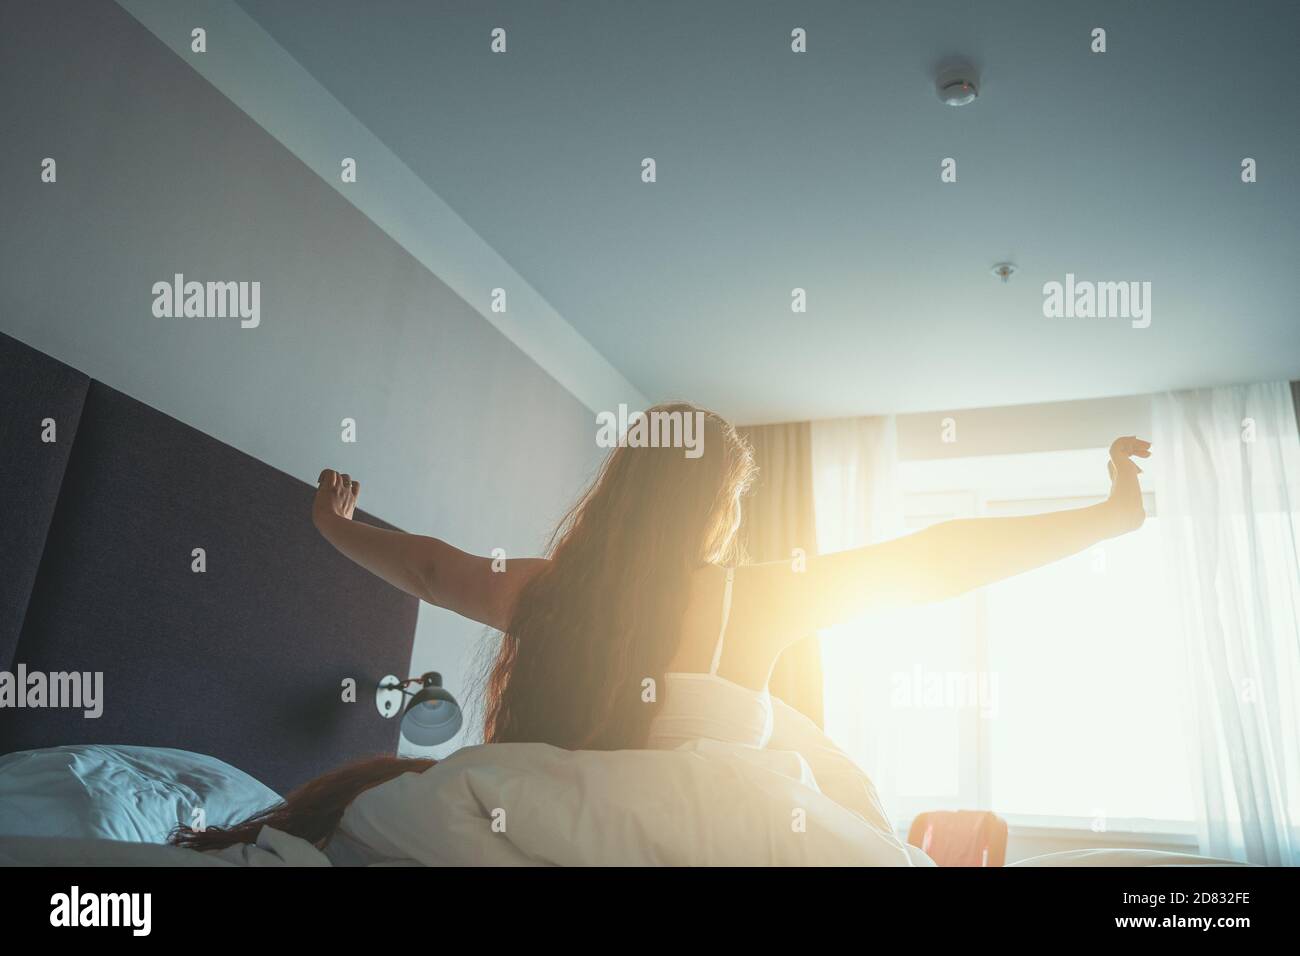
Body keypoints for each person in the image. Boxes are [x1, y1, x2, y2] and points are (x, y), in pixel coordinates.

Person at [172, 402, 1149, 854]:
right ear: (718, 504)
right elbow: (937, 557)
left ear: (627, 486)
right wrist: (1102, 514)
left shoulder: (557, 589)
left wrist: (332, 525)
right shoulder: (757, 591)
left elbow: (430, 567)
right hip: (739, 818)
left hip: (547, 805)